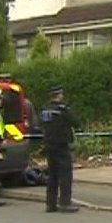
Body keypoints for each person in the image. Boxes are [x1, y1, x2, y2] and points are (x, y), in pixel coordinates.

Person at [41, 85, 80, 213]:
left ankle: (50, 204)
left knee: (52, 175)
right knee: (65, 174)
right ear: (59, 95)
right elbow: (75, 122)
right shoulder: (62, 110)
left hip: (49, 145)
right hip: (61, 145)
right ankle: (65, 203)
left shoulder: (45, 110)